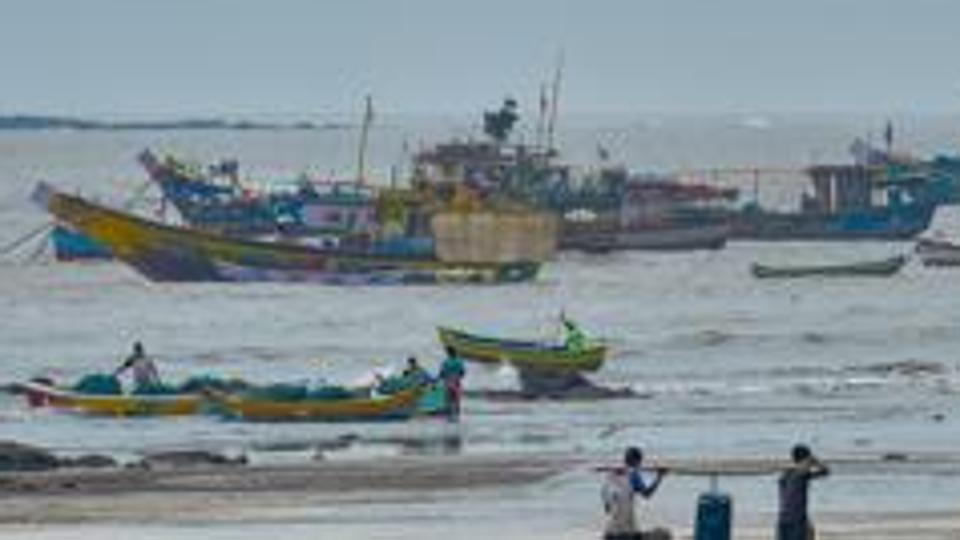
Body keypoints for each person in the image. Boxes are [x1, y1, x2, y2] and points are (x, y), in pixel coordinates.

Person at [601, 446, 668, 539]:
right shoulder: (633, 476)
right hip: (625, 532)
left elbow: (607, 507)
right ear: (637, 461)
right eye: (639, 462)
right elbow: (647, 494)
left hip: (609, 532)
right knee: (664, 535)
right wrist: (659, 477)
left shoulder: (610, 477)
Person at [777, 444, 830, 540]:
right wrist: (816, 462)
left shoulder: (786, 475)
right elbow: (825, 471)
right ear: (805, 460)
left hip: (783, 518)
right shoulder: (802, 474)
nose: (809, 465)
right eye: (808, 461)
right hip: (797, 520)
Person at [437, 346, 466, 421]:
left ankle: (449, 416)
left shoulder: (446, 362)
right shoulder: (459, 361)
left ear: (449, 353)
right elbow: (462, 373)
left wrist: (437, 380)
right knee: (457, 401)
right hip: (456, 382)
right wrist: (457, 377)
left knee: (448, 401)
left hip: (448, 382)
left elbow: (442, 373)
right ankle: (457, 416)